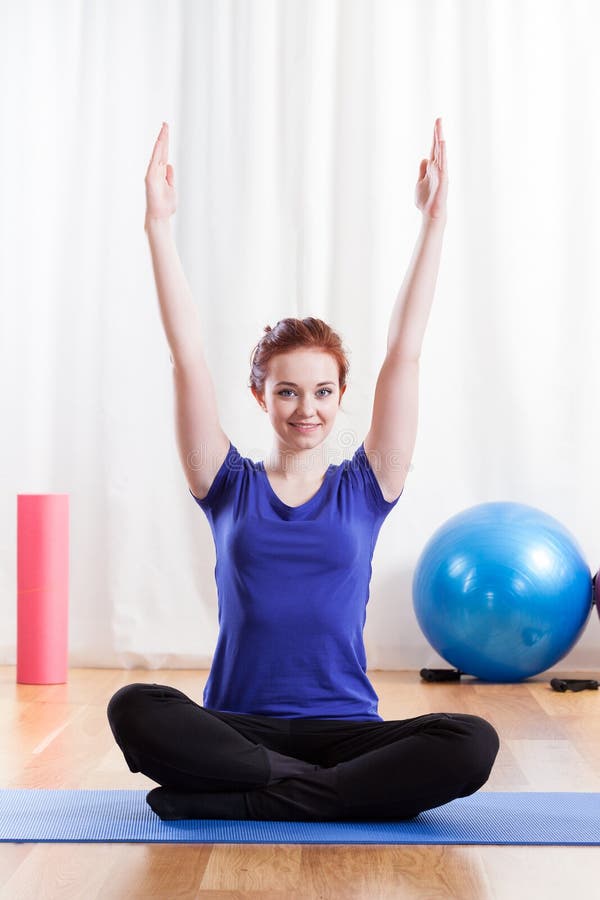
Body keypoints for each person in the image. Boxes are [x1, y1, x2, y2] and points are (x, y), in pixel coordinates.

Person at [107, 118, 499, 822]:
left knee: (472, 741)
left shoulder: (366, 485)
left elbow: (403, 353)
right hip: (236, 727)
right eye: (287, 390)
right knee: (134, 706)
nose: (306, 408)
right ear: (261, 395)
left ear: (341, 396)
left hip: (347, 732)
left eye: (322, 391)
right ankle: (308, 794)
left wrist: (435, 222)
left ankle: (251, 797)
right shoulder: (226, 484)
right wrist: (158, 228)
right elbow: (187, 355)